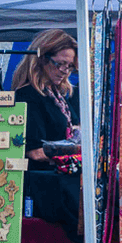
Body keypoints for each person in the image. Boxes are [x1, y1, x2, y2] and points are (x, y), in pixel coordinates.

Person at [12, 29, 80, 170]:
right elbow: (35, 152)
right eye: (60, 64)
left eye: (70, 66)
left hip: (60, 179)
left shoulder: (57, 95)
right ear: (42, 59)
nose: (65, 71)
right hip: (42, 182)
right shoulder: (28, 95)